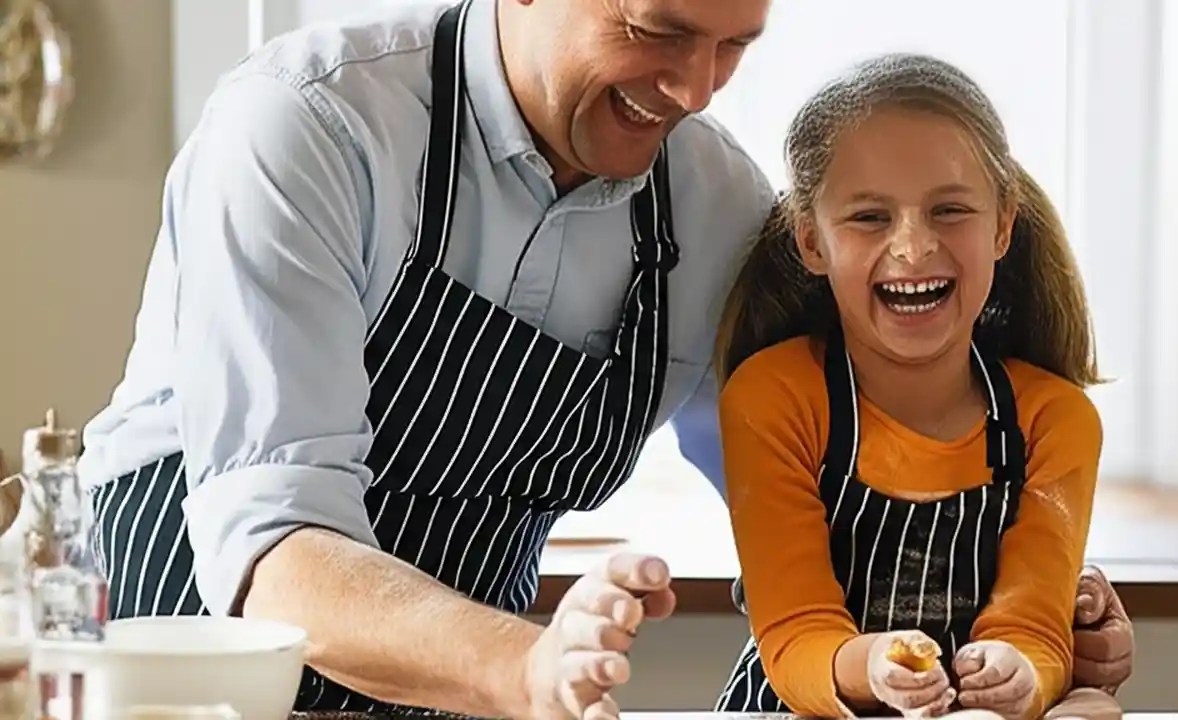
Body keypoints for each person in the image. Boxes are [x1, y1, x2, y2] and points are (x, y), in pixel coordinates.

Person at [77, 0, 775, 717]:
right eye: (658, 31)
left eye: (733, 48)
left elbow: (805, 499)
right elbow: (276, 553)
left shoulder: (720, 211)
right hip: (195, 694)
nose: (695, 91)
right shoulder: (309, 122)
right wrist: (528, 668)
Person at [711, 53, 1104, 718]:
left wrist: (1022, 673)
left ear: (1002, 225)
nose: (914, 247)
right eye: (869, 217)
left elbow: (1035, 625)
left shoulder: (1056, 421)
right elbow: (795, 632)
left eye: (950, 210)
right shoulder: (772, 399)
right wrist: (875, 666)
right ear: (812, 241)